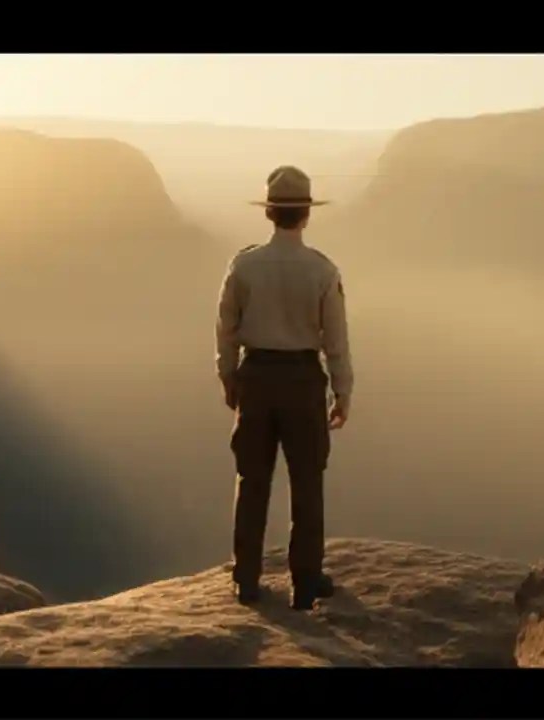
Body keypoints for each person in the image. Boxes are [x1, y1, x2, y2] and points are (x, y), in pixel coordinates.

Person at [215, 165, 354, 611]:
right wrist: (343, 391)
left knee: (252, 478)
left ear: (270, 212)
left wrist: (228, 374)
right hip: (302, 382)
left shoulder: (245, 264)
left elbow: (225, 325)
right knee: (307, 482)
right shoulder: (322, 270)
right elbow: (336, 339)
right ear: (306, 215)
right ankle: (306, 582)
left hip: (256, 377)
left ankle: (247, 580)